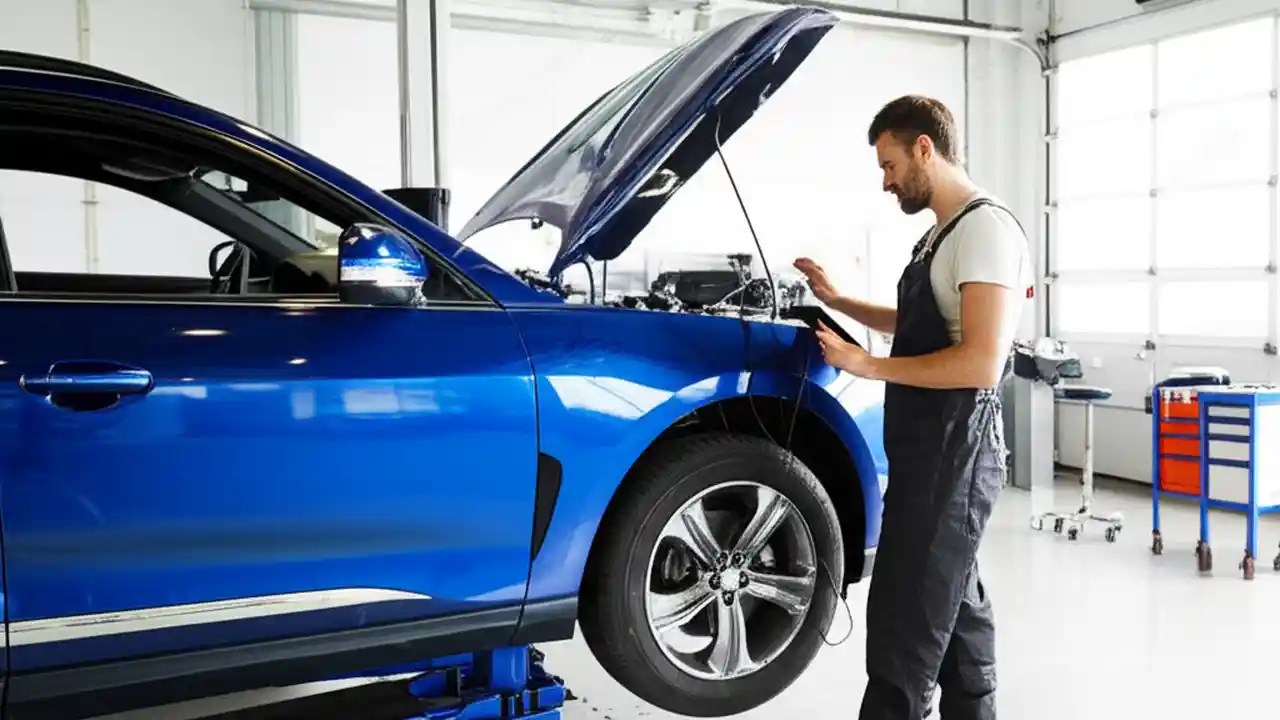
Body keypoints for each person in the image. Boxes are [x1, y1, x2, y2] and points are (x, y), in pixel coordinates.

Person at [794, 95, 1031, 719]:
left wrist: (866, 365)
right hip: (930, 453)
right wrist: (841, 302)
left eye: (890, 163)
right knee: (957, 612)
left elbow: (980, 361)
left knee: (907, 616)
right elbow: (921, 321)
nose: (886, 180)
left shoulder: (985, 229)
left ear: (926, 148)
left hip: (958, 456)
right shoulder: (942, 236)